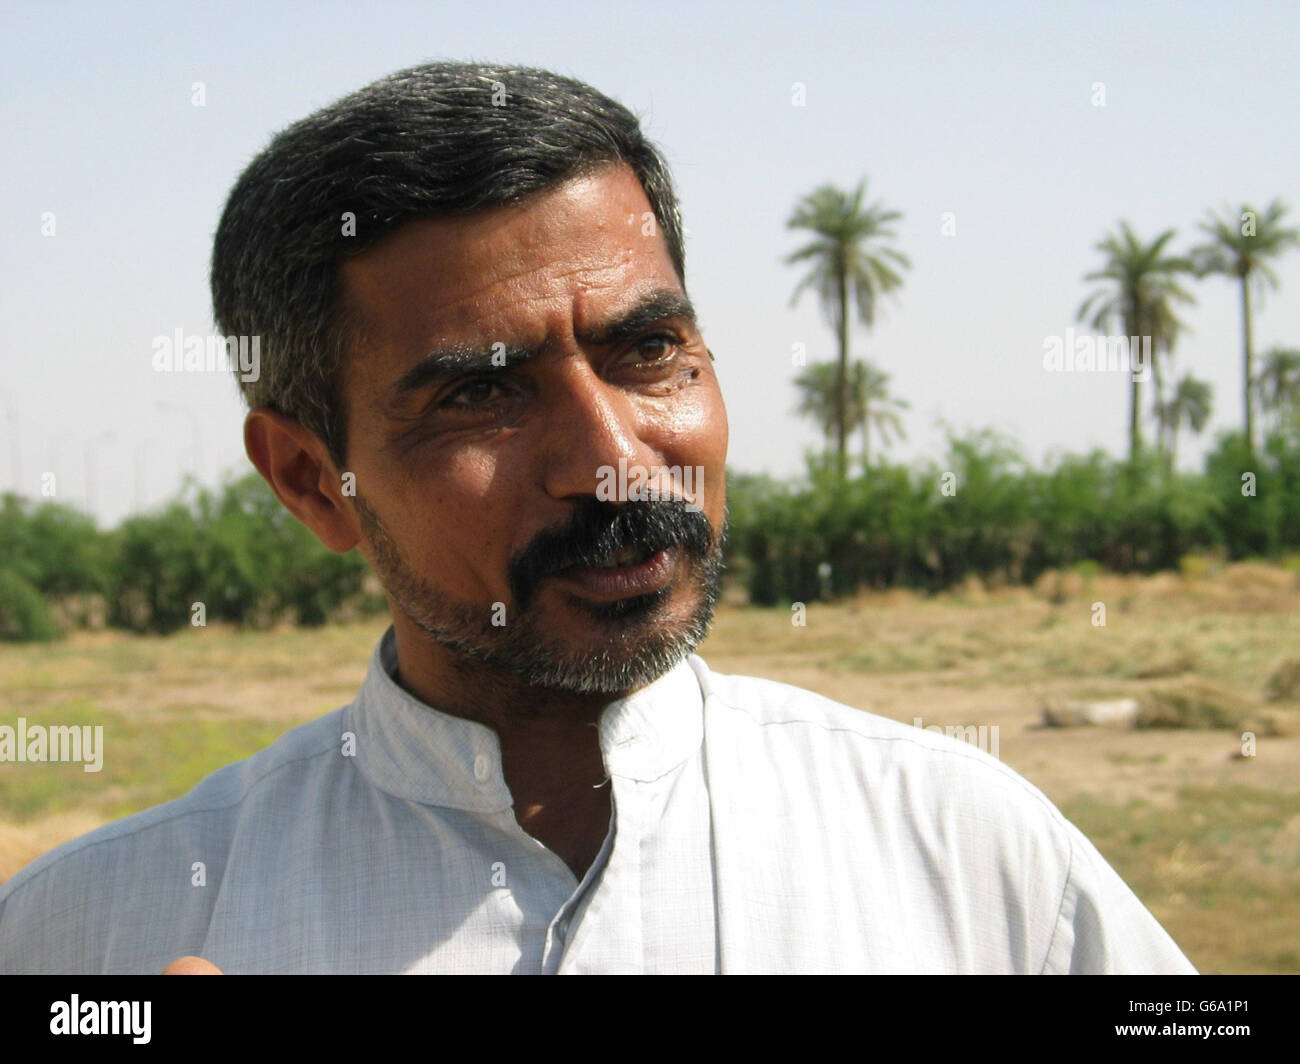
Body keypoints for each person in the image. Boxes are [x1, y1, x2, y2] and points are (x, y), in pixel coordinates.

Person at [0, 61, 1195, 974]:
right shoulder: (102, 930)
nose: (614, 461)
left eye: (648, 350)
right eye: (480, 392)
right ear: (314, 479)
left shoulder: (966, 849)